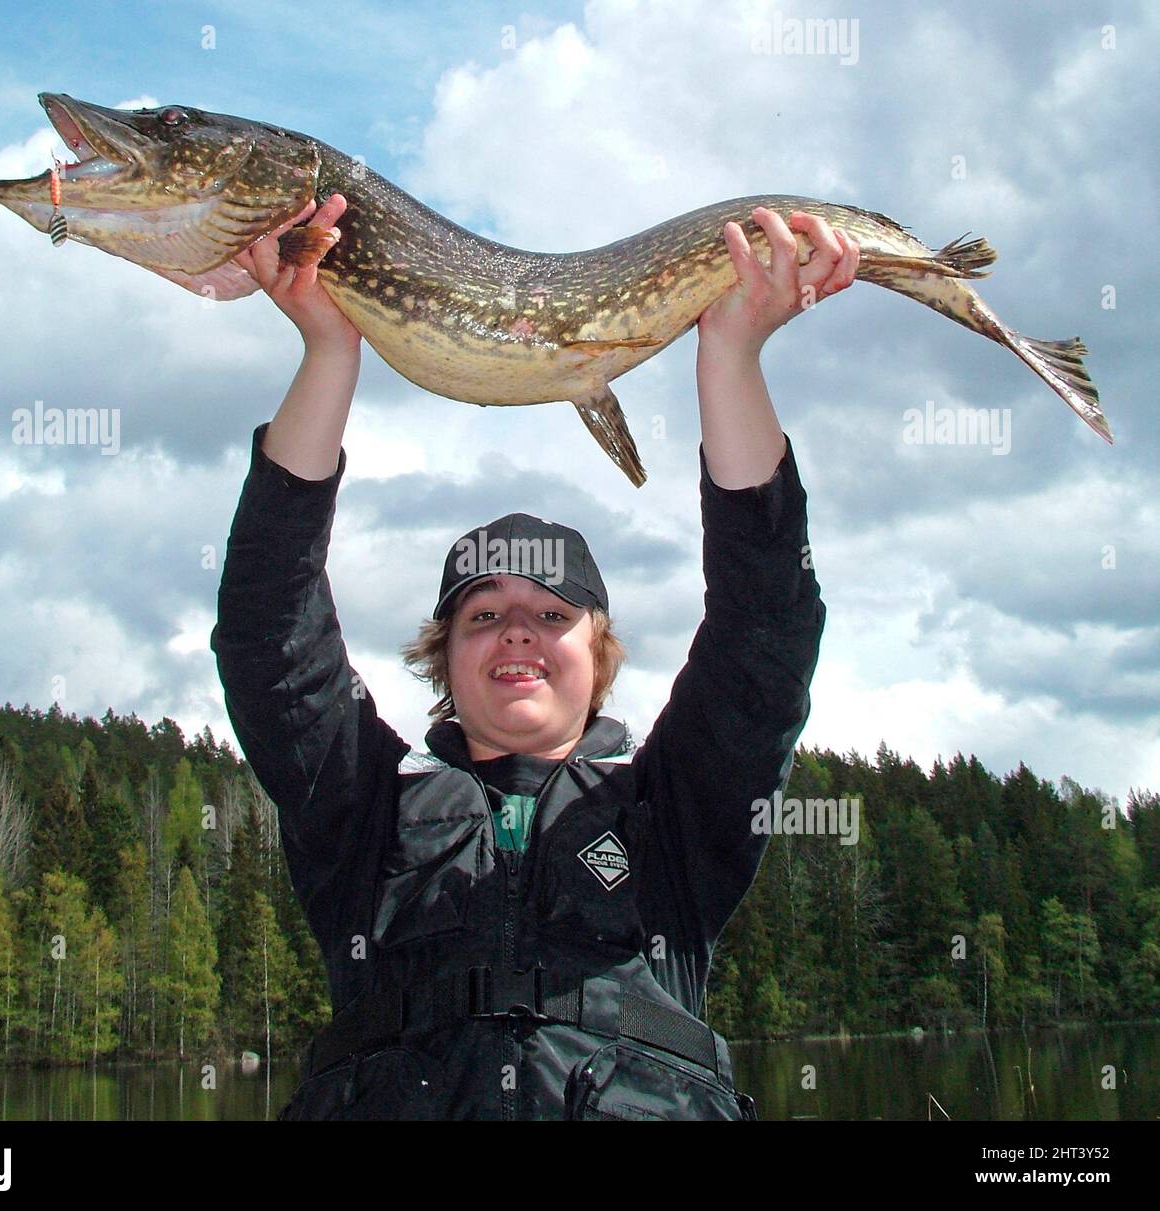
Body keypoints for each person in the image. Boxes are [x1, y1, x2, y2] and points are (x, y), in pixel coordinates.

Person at [211, 192, 859, 1120]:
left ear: (600, 656)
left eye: (552, 613)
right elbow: (267, 628)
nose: (517, 630)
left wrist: (732, 351)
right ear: (444, 658)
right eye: (482, 615)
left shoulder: (672, 815)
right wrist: (328, 351)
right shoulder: (361, 809)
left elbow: (768, 624)